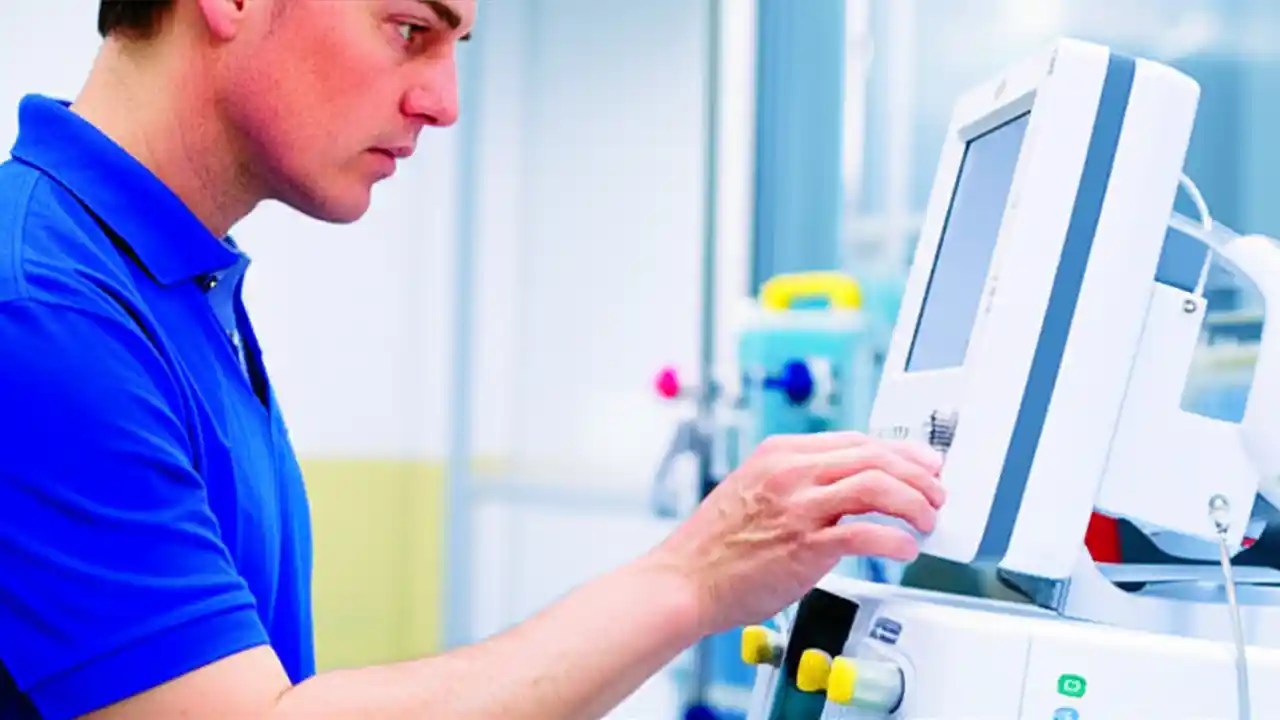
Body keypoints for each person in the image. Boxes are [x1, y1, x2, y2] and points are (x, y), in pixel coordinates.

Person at [0, 1, 946, 718]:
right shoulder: (42, 307)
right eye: (410, 29)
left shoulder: (165, 282)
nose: (443, 103)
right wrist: (694, 579)